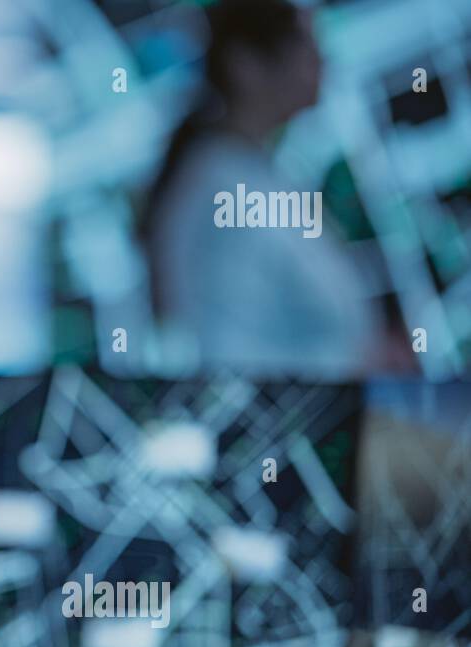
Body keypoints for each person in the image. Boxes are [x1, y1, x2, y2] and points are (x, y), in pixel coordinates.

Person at [139, 0, 411, 378]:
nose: (322, 63)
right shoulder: (220, 191)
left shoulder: (256, 171)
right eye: (305, 46)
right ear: (245, 65)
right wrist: (359, 363)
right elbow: (235, 357)